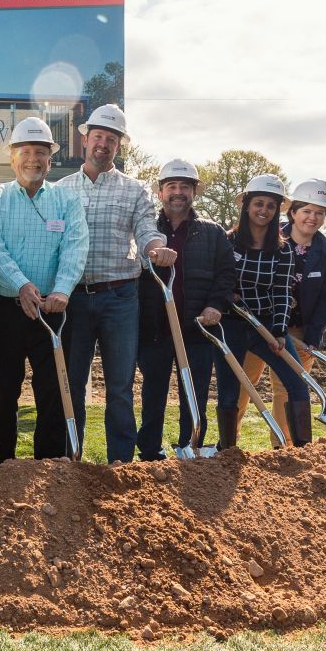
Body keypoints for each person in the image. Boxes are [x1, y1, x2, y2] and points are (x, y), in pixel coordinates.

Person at [56, 104, 175, 463]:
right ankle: (69, 458)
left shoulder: (135, 190)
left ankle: (120, 463)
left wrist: (156, 248)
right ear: (85, 140)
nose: (103, 144)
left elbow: (146, 229)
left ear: (119, 146)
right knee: (71, 383)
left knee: (120, 387)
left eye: (111, 139)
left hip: (120, 297)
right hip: (73, 298)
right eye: (98, 137)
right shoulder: (61, 189)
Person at [0, 117, 88, 462]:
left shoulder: (66, 201)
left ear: (50, 160)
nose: (33, 160)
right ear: (13, 158)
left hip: (52, 311)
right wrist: (22, 286)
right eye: (26, 152)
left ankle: (48, 464)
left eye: (41, 153)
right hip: (4, 310)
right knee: (5, 392)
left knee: (52, 391)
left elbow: (76, 246)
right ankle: (5, 461)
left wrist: (63, 290)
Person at [136, 159, 236, 459]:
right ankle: (150, 451)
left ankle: (189, 446)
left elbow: (226, 274)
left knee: (195, 395)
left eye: (185, 187)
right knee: (152, 395)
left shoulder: (212, 232)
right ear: (160, 192)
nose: (178, 193)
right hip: (154, 330)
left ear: (194, 192)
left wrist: (216, 305)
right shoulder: (146, 229)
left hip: (196, 330)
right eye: (171, 187)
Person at [236, 179, 326, 443]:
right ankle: (229, 445)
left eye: (319, 213)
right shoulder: (268, 237)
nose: (312, 218)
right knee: (243, 383)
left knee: (287, 389)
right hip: (256, 323)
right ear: (292, 212)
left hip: (296, 331)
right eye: (306, 211)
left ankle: (284, 449)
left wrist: (312, 338)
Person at [211, 174, 311, 450]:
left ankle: (302, 451)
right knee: (229, 390)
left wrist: (279, 331)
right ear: (246, 205)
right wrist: (226, 295)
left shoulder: (283, 251)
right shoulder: (227, 242)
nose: (263, 210)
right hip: (232, 323)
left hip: (266, 324)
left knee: (296, 382)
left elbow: (282, 292)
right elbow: (219, 279)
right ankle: (227, 451)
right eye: (258, 203)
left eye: (270, 206)